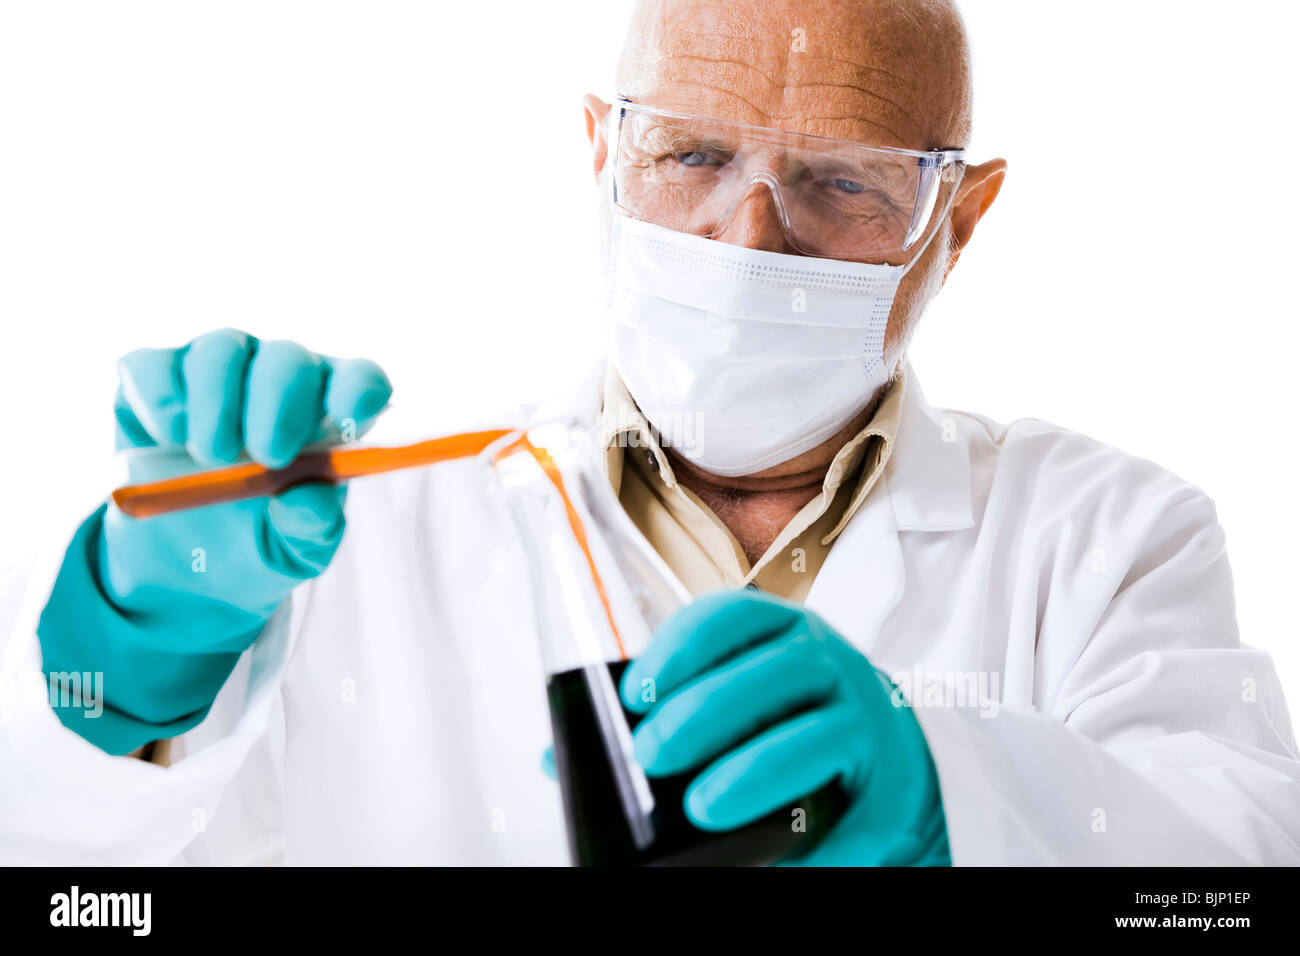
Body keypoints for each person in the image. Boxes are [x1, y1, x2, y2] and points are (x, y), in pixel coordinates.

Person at [2, 0, 1297, 865]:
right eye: (689, 157)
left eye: (843, 180)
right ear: (601, 154)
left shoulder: (1108, 536)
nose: (746, 235)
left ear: (958, 220)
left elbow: (1227, 875)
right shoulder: (363, 532)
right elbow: (72, 874)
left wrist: (947, 796)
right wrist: (133, 650)